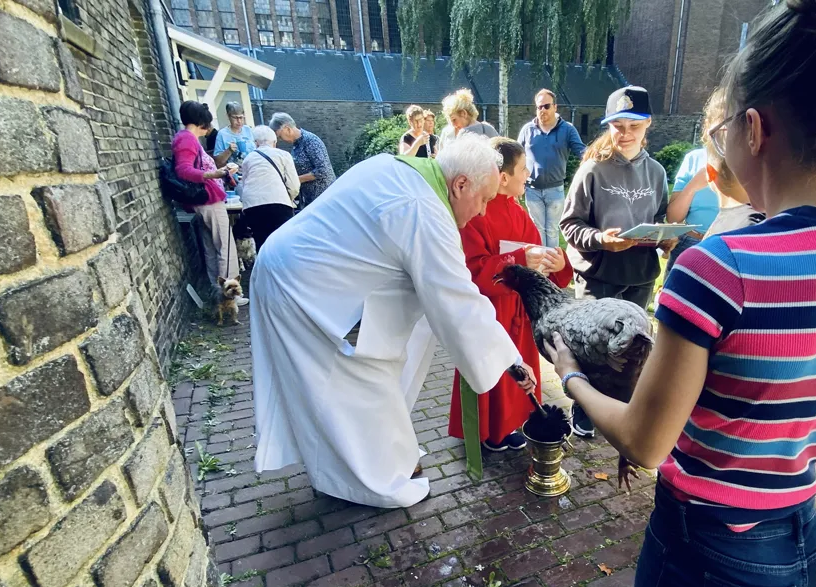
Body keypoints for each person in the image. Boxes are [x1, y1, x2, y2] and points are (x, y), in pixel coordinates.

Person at [545, 1, 816, 587]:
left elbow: (647, 442)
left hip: (709, 548)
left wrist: (568, 373)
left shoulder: (720, 268)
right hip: (801, 538)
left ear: (753, 128)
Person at [250, 136, 536, 508]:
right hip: (297, 286)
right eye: (483, 199)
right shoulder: (424, 208)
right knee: (344, 383)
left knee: (363, 375)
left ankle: (362, 464)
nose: (482, 212)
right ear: (460, 184)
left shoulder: (402, 170)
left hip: (300, 274)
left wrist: (504, 357)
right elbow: (457, 301)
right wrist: (510, 360)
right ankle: (372, 481)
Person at [447, 138, 573, 452]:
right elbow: (473, 269)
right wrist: (517, 260)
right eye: (523, 169)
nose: (528, 175)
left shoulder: (518, 210)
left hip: (518, 309)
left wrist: (557, 264)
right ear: (502, 177)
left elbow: (536, 252)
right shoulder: (475, 212)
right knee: (493, 368)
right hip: (491, 311)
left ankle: (509, 424)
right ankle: (489, 431)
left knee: (518, 369)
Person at [560, 84, 671, 439]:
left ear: (648, 124)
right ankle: (585, 408)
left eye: (633, 126)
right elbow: (569, 225)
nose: (624, 134)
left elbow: (661, 218)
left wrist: (666, 238)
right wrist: (602, 241)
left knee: (631, 349)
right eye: (617, 126)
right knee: (590, 348)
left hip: (639, 276)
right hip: (599, 275)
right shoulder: (592, 169)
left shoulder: (656, 173)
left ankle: (622, 407)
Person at [663, 88, 764, 287]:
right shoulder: (695, 159)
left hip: (733, 237)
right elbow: (673, 218)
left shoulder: (754, 159)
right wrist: (692, 186)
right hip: (691, 241)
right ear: (709, 127)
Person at [171, 100, 244, 304]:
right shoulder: (187, 139)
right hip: (208, 200)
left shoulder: (185, 138)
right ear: (201, 121)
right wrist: (215, 173)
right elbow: (184, 170)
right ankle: (232, 294)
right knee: (225, 246)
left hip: (203, 201)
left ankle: (217, 291)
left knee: (211, 247)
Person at [518, 89, 587, 248]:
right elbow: (517, 155)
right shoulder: (527, 130)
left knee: (552, 231)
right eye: (539, 107)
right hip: (532, 190)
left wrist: (599, 159)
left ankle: (551, 269)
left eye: (546, 106)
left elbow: (582, 152)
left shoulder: (567, 129)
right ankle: (542, 269)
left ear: (555, 107)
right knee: (538, 230)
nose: (542, 110)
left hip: (555, 190)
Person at [237, 125, 299, 251]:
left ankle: (265, 268)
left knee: (262, 243)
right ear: (274, 142)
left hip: (253, 205)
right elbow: (294, 185)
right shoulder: (284, 155)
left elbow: (243, 186)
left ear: (256, 143)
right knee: (283, 243)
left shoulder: (248, 159)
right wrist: (289, 199)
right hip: (279, 203)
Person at [270, 112, 335, 209]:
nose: (280, 140)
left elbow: (323, 171)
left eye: (279, 136)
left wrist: (296, 180)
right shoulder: (297, 145)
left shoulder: (311, 141)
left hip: (323, 197)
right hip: (311, 199)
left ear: (287, 129)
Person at [214, 101, 255, 167]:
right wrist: (229, 150)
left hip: (252, 169)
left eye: (241, 117)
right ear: (228, 116)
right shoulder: (222, 134)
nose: (239, 121)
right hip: (234, 173)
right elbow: (218, 162)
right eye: (235, 118)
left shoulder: (248, 130)